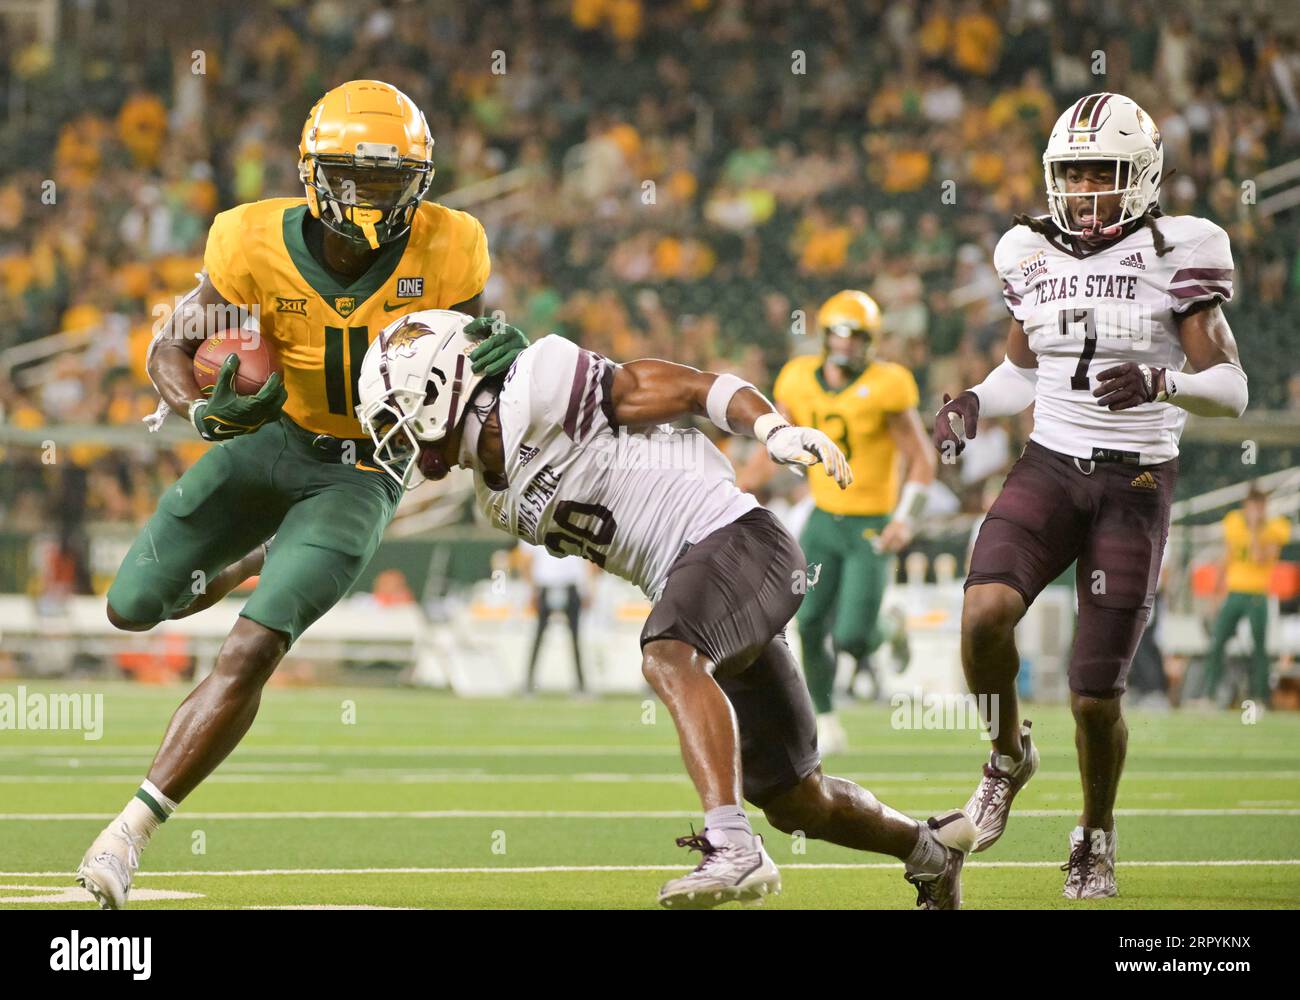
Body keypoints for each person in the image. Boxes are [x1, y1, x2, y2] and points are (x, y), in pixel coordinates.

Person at [76, 80, 529, 910]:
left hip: (363, 466)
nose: (371, 199)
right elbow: (169, 348)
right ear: (313, 174)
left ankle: (128, 834)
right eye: (353, 178)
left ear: (421, 182)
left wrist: (496, 373)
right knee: (131, 606)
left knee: (250, 650)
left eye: (390, 181)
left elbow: (463, 363)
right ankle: (254, 556)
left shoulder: (453, 243)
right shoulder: (249, 237)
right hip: (270, 440)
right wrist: (199, 408)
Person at [357, 310, 978, 909]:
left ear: (444, 385)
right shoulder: (495, 502)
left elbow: (691, 387)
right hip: (715, 585)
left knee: (667, 655)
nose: (400, 436)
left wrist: (772, 429)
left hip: (738, 540)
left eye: (401, 413)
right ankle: (928, 849)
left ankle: (732, 845)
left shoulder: (540, 383)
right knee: (795, 799)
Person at [934, 92, 1248, 899]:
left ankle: (1096, 831)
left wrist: (1161, 380)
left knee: (1092, 696)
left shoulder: (1181, 248)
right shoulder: (1025, 250)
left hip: (1134, 480)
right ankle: (1006, 757)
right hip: (1050, 464)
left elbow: (1233, 389)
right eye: (1069, 175)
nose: (1082, 192)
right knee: (981, 615)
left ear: (1141, 176)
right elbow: (1022, 372)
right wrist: (974, 398)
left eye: (1100, 174)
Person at [740, 290, 934, 752]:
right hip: (823, 520)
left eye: (857, 336)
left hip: (870, 522)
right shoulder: (797, 379)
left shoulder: (889, 384)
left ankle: (888, 627)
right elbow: (777, 447)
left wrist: (906, 520)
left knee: (851, 638)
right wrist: (736, 485)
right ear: (825, 335)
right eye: (839, 334)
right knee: (805, 622)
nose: (846, 344)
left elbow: (923, 459)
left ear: (870, 340)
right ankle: (825, 720)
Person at [1199, 486, 1291, 708]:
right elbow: (1226, 557)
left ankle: (1260, 697)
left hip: (1258, 594)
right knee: (1218, 640)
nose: (1256, 511)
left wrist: (1254, 529)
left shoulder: (1276, 527)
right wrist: (1215, 593)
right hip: (1234, 592)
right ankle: (1209, 695)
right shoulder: (1233, 522)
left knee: (1259, 646)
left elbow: (1260, 557)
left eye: (1260, 506)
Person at [519, 541, 592, 694]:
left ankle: (580, 685)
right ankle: (528, 683)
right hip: (545, 585)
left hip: (571, 584)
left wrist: (588, 588)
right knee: (539, 636)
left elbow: (587, 557)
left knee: (575, 638)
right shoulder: (534, 521)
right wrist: (531, 589)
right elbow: (526, 559)